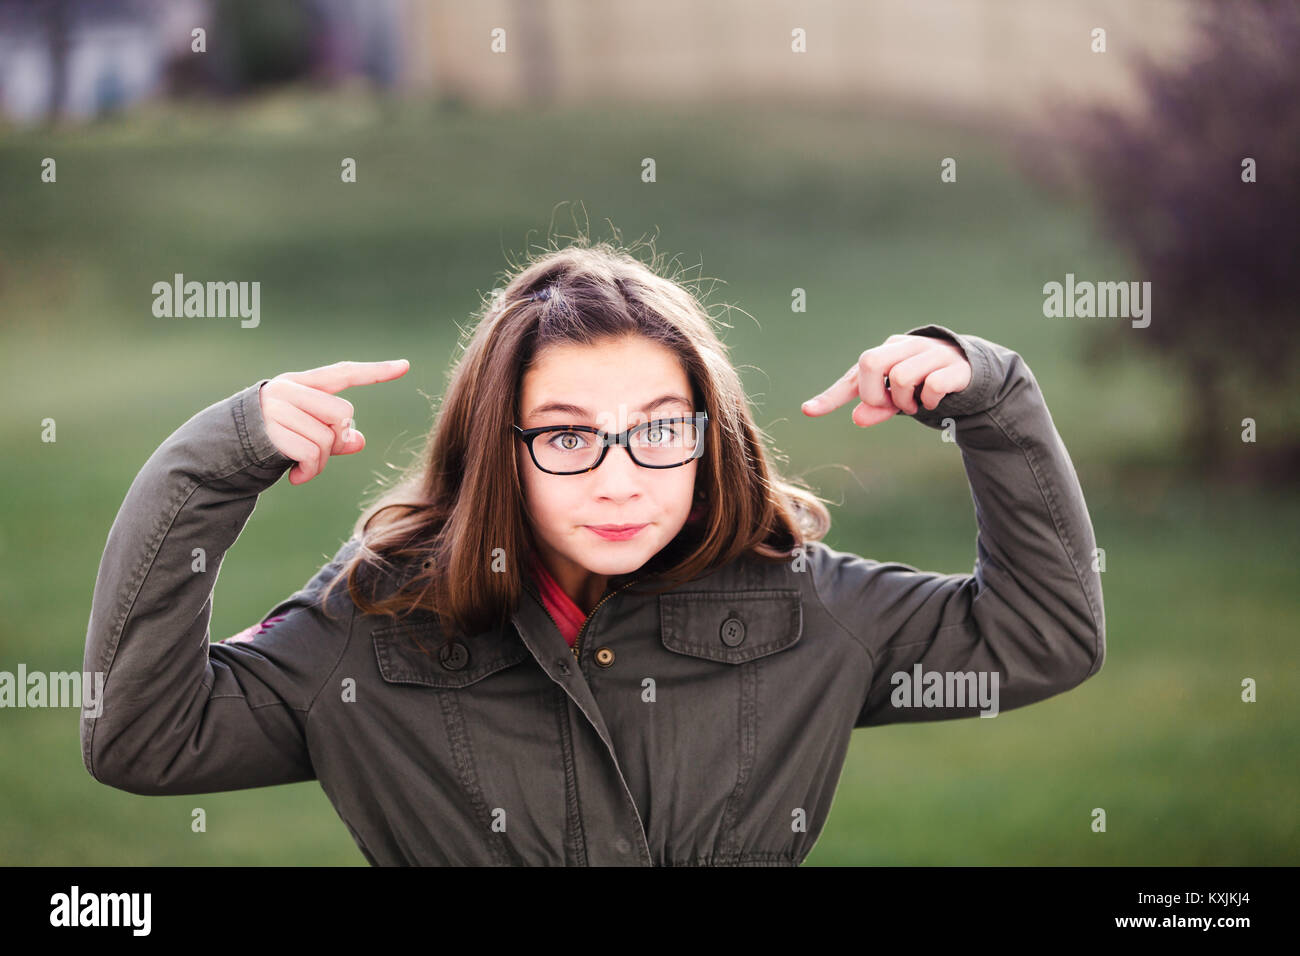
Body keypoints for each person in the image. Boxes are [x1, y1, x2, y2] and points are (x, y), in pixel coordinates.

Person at [81, 240, 1105, 866]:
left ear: (710, 436)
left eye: (660, 427)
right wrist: (212, 467)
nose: (621, 478)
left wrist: (992, 401)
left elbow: (1044, 636)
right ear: (499, 449)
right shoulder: (372, 624)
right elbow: (142, 739)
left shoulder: (806, 603)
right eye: (567, 435)